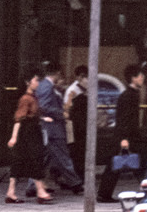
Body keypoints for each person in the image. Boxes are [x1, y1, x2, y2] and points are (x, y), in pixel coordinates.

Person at [6, 67, 55, 204]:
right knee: (36, 158)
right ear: (28, 82)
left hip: (31, 131)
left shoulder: (32, 97)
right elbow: (19, 118)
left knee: (20, 161)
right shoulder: (26, 98)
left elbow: (30, 116)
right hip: (28, 133)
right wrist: (14, 137)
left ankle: (11, 192)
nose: (38, 83)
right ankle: (40, 191)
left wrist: (43, 119)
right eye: (35, 80)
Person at [98, 64, 144, 203]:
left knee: (120, 165)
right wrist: (124, 139)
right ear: (133, 78)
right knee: (118, 165)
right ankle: (103, 194)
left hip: (129, 135)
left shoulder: (132, 94)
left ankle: (104, 194)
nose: (143, 78)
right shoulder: (128, 96)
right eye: (140, 76)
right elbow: (123, 118)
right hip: (126, 136)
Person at [35, 63, 83, 194]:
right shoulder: (47, 86)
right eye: (60, 74)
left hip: (49, 128)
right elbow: (43, 106)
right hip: (53, 128)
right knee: (62, 156)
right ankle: (75, 182)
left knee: (45, 158)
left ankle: (32, 186)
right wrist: (60, 113)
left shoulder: (46, 86)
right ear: (56, 73)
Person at [67, 71, 89, 178]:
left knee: (80, 151)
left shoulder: (86, 92)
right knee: (75, 151)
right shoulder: (74, 91)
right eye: (85, 77)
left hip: (83, 127)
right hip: (75, 126)